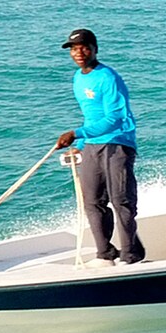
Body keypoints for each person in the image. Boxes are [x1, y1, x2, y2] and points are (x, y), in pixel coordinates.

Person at [55, 28, 145, 266]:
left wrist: (76, 134)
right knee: (93, 201)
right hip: (92, 144)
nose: (79, 53)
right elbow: (91, 117)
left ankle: (131, 254)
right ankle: (106, 253)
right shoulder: (78, 78)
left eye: (84, 47)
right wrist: (81, 144)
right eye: (74, 49)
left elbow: (115, 118)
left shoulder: (108, 78)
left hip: (117, 142)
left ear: (95, 49)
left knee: (121, 199)